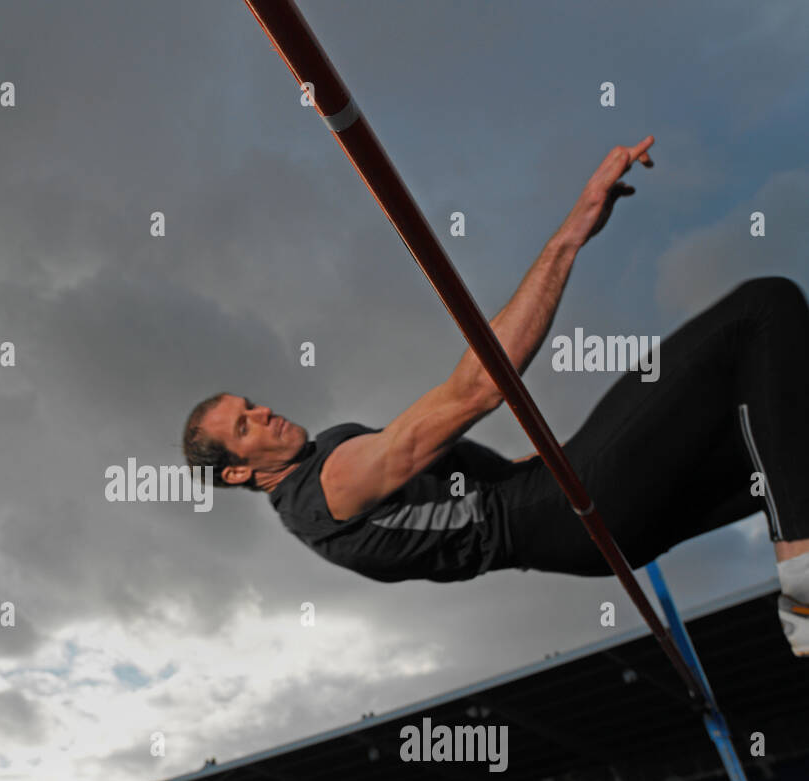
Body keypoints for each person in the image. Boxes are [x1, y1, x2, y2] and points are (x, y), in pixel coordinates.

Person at [180, 137, 809, 657]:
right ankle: (803, 587)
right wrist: (571, 234)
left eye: (251, 404)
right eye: (243, 426)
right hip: (564, 510)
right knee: (762, 309)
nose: (262, 412)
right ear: (238, 471)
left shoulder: (319, 492)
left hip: (576, 522)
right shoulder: (329, 486)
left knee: (785, 429)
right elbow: (479, 390)